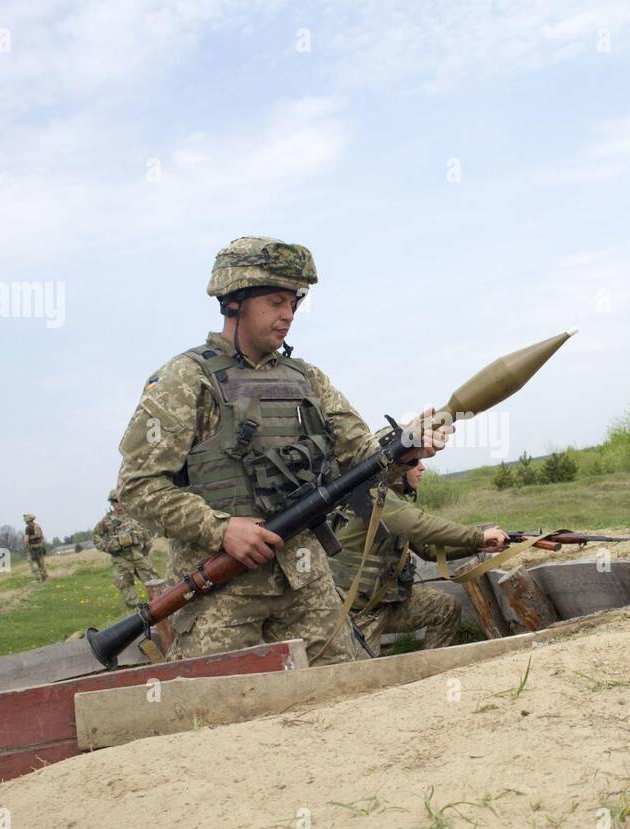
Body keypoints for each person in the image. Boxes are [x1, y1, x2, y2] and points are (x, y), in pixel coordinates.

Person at [116, 236, 451, 664]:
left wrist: (407, 450)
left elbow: (364, 461)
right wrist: (221, 529)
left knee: (347, 695)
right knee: (221, 716)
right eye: (276, 301)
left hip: (306, 580)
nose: (288, 315)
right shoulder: (185, 380)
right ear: (234, 300)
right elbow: (138, 488)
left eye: (294, 302)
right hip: (220, 589)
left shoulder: (307, 379)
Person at [329, 455, 508, 654]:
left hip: (385, 604)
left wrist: (478, 546)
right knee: (364, 678)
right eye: (414, 463)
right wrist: (477, 537)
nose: (422, 468)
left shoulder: (394, 500)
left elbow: (428, 549)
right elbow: (419, 525)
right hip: (357, 613)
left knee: (446, 607)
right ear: (396, 468)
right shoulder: (375, 496)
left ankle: (433, 670)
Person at [92, 490, 156, 609]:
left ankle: (160, 607)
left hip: (139, 555)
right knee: (126, 587)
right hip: (121, 559)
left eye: (121, 501)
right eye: (115, 502)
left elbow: (147, 530)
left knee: (154, 581)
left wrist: (147, 546)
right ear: (112, 503)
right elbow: (96, 536)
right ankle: (137, 615)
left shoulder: (134, 515)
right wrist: (108, 547)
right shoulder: (107, 521)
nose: (119, 504)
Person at [21, 513, 48, 581]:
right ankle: (44, 577)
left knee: (32, 563)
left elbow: (26, 540)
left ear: (28, 520)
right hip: (40, 547)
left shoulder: (28, 528)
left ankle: (38, 578)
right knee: (41, 563)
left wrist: (26, 547)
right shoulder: (37, 526)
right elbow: (42, 537)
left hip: (32, 548)